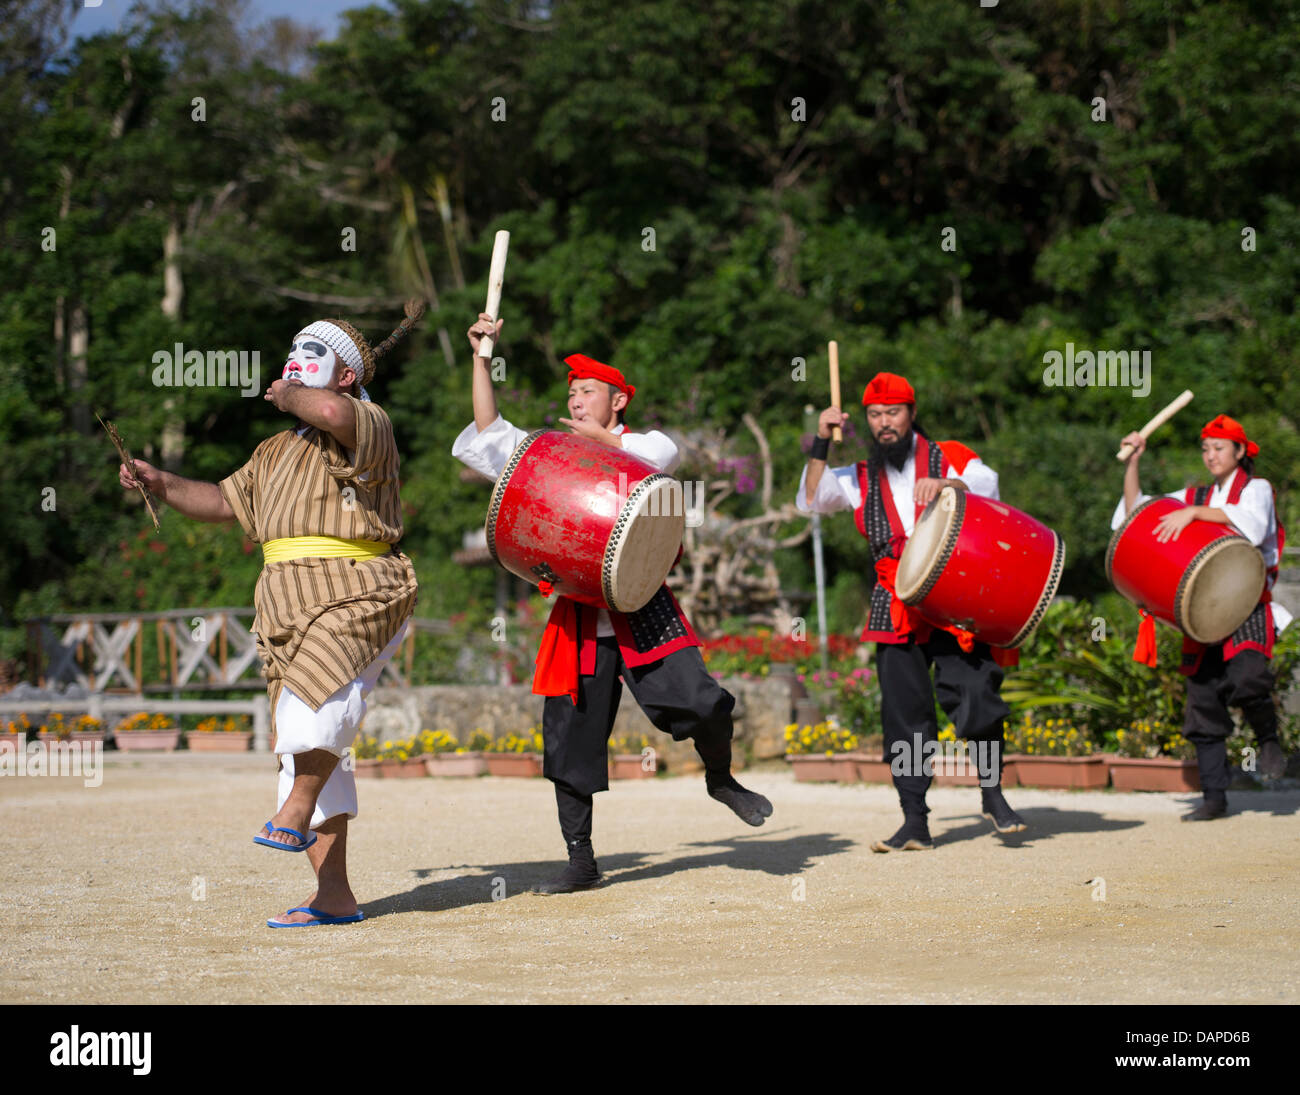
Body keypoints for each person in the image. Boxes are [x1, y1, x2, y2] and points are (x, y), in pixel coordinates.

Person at [119, 302, 422, 925]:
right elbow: (223, 500)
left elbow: (333, 412)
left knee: (318, 703)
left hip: (361, 586)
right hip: (284, 596)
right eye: (291, 352)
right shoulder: (273, 450)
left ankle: (293, 813)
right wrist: (160, 482)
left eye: (312, 355)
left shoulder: (368, 421)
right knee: (298, 734)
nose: (293, 362)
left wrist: (287, 392)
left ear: (344, 376)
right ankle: (333, 894)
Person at [452, 312, 772, 893]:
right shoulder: (546, 455)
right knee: (570, 741)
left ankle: (722, 779)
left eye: (588, 393)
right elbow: (489, 428)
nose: (575, 401)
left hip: (641, 604)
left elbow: (663, 455)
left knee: (702, 702)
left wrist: (599, 442)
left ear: (617, 401)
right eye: (571, 393)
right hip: (578, 613)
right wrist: (480, 356)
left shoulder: (641, 447)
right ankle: (581, 860)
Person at [796, 371, 1026, 850]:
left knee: (975, 692)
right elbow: (811, 500)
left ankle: (993, 795)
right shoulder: (858, 476)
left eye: (893, 413)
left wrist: (948, 486)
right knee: (905, 717)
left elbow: (990, 489)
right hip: (894, 602)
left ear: (911, 413)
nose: (885, 424)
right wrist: (820, 441)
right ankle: (914, 818)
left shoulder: (951, 457)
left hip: (954, 594)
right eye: (876, 416)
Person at [1115, 414, 1290, 819]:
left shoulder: (1256, 489)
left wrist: (1193, 515)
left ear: (1241, 451)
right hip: (1201, 610)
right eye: (1206, 449)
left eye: (1219, 448)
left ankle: (1268, 739)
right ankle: (1214, 798)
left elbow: (1253, 525)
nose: (1210, 456)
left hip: (1246, 603)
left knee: (1248, 676)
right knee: (1203, 703)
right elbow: (1135, 513)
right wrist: (1134, 462)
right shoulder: (1195, 495)